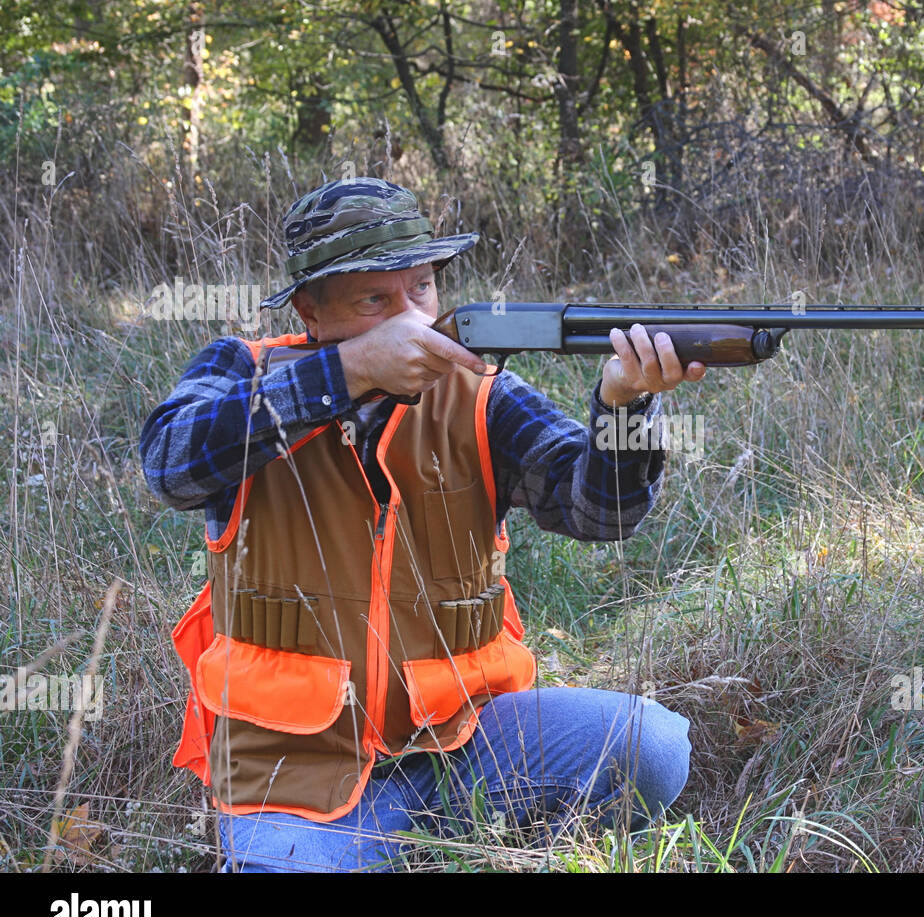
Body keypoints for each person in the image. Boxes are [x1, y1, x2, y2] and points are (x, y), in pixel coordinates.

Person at [140, 177, 703, 872]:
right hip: (290, 773)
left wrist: (623, 404)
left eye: (422, 289)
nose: (413, 319)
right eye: (376, 299)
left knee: (652, 748)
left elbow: (599, 511)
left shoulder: (478, 394)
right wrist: (346, 374)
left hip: (463, 747)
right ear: (312, 310)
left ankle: (466, 840)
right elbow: (169, 463)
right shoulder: (244, 369)